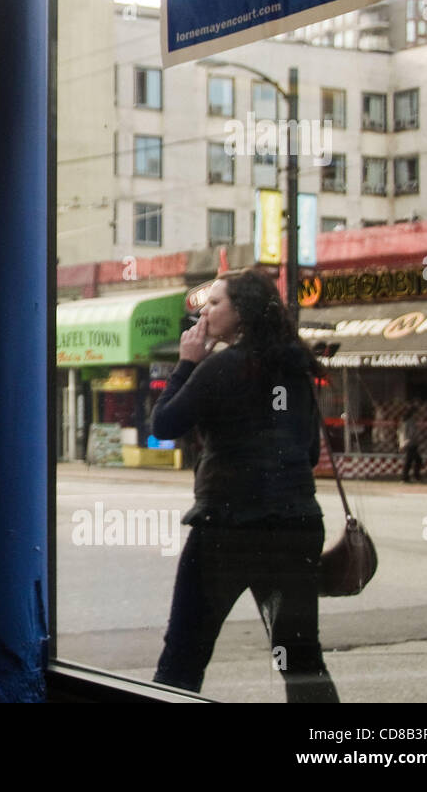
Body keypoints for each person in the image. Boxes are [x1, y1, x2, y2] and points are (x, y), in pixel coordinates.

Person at [148, 270, 339, 703]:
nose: (204, 310)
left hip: (227, 530)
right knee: (300, 659)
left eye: (215, 303)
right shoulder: (296, 366)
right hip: (296, 526)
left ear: (242, 312)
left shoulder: (221, 366)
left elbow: (164, 423)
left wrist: (186, 363)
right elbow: (308, 453)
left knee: (184, 654)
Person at [399, 405, 424, 483]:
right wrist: (404, 442)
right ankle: (408, 477)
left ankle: (408, 477)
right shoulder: (410, 422)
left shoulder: (406, 421)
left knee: (413, 460)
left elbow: (401, 433)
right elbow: (411, 433)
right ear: (414, 413)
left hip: (410, 443)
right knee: (412, 460)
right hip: (411, 443)